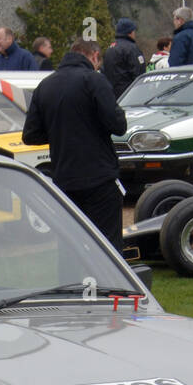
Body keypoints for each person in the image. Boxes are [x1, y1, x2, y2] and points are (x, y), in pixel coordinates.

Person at [21, 39, 127, 250]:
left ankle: (72, 282)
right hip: (99, 177)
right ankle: (109, 283)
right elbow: (118, 125)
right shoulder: (94, 80)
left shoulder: (46, 85)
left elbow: (30, 135)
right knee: (107, 246)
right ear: (94, 56)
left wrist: (60, 131)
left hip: (64, 178)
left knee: (70, 245)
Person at [103, 18, 144, 97]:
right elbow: (139, 72)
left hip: (112, 93)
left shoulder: (110, 48)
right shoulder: (132, 48)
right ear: (130, 32)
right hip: (128, 94)